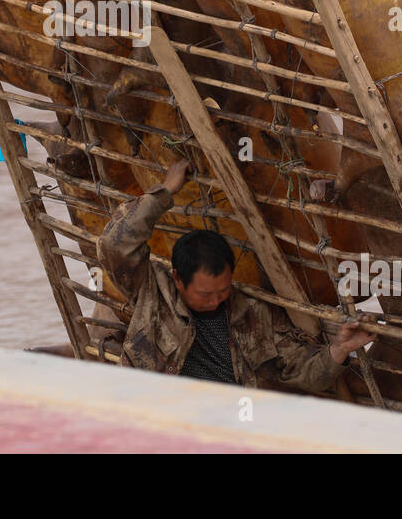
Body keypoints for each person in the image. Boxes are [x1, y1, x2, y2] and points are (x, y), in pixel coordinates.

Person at [96, 158, 377, 392]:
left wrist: (340, 349)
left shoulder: (253, 314)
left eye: (223, 291)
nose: (216, 301)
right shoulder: (152, 292)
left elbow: (302, 373)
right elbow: (114, 244)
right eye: (205, 294)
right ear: (178, 280)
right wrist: (165, 192)